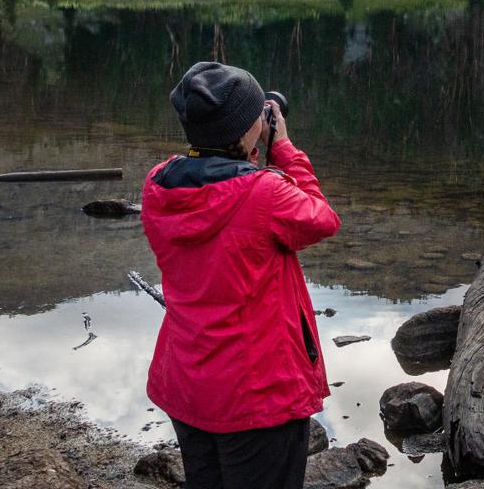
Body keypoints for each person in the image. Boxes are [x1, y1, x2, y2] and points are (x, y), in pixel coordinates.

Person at [141, 61, 341, 489]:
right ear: (247, 129)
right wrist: (283, 147)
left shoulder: (159, 184)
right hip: (258, 394)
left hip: (189, 382)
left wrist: (247, 148)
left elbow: (219, 189)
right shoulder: (264, 193)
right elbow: (322, 219)